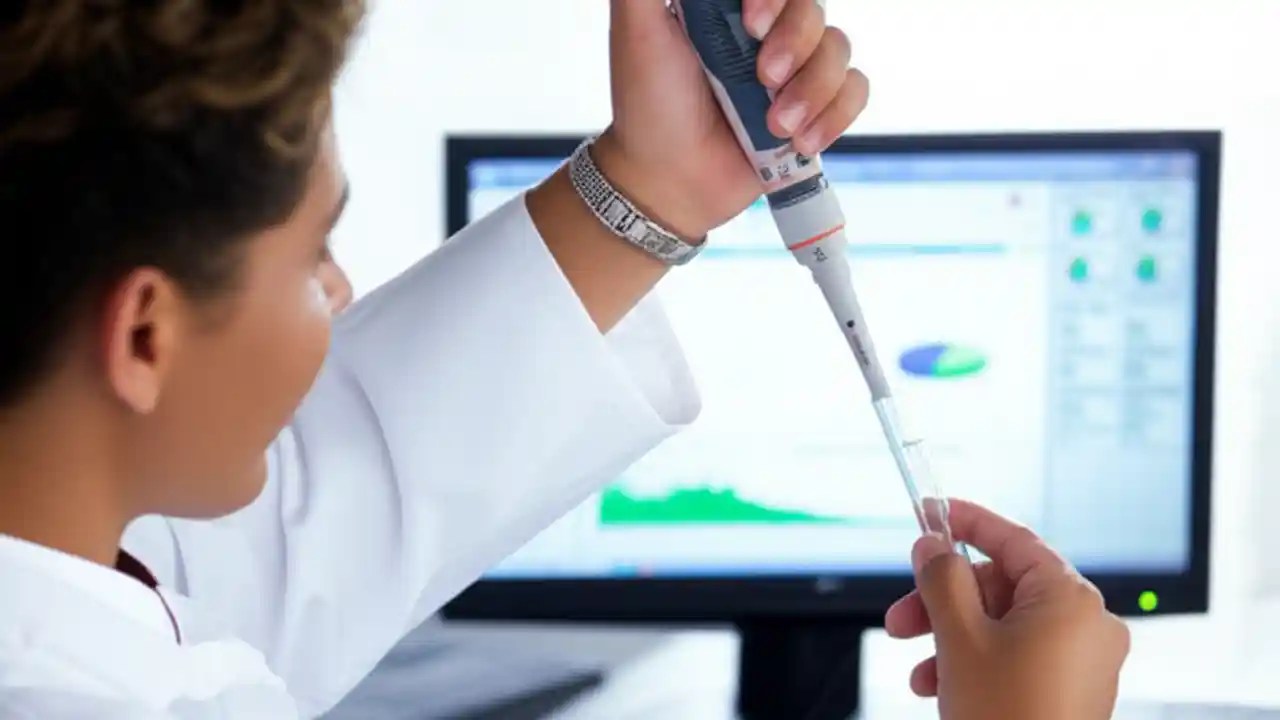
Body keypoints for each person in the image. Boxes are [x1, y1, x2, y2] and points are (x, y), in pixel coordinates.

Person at [0, 0, 1128, 718]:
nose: (337, 291)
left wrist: (655, 186)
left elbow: (307, 514)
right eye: (313, 255)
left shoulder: (79, 563)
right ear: (145, 333)